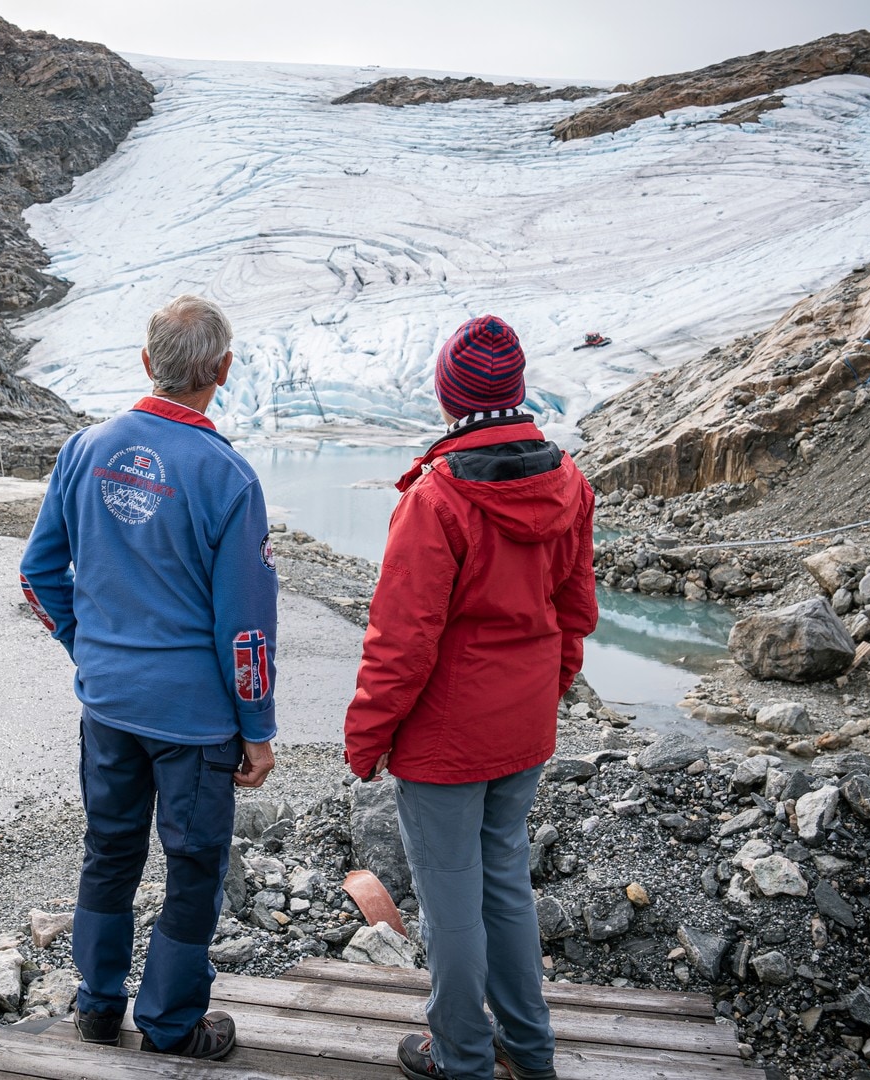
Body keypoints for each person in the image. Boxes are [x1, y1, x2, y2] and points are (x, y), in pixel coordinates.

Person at [20, 294, 279, 1061]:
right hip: (195, 723)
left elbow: (39, 573)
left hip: (108, 705)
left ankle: (98, 1007)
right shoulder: (228, 477)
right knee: (193, 866)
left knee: (110, 849)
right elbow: (247, 631)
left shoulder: (85, 449)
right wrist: (257, 728)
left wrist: (89, 645)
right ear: (223, 371)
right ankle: (169, 1024)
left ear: (146, 363)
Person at [343, 314, 598, 1080]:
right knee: (506, 886)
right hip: (521, 727)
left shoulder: (437, 497)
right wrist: (542, 695)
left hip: (446, 739)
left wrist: (366, 736)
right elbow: (575, 613)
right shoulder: (569, 481)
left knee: (450, 902)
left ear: (450, 395)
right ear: (516, 389)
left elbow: (402, 637)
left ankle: (459, 1056)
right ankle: (529, 1049)